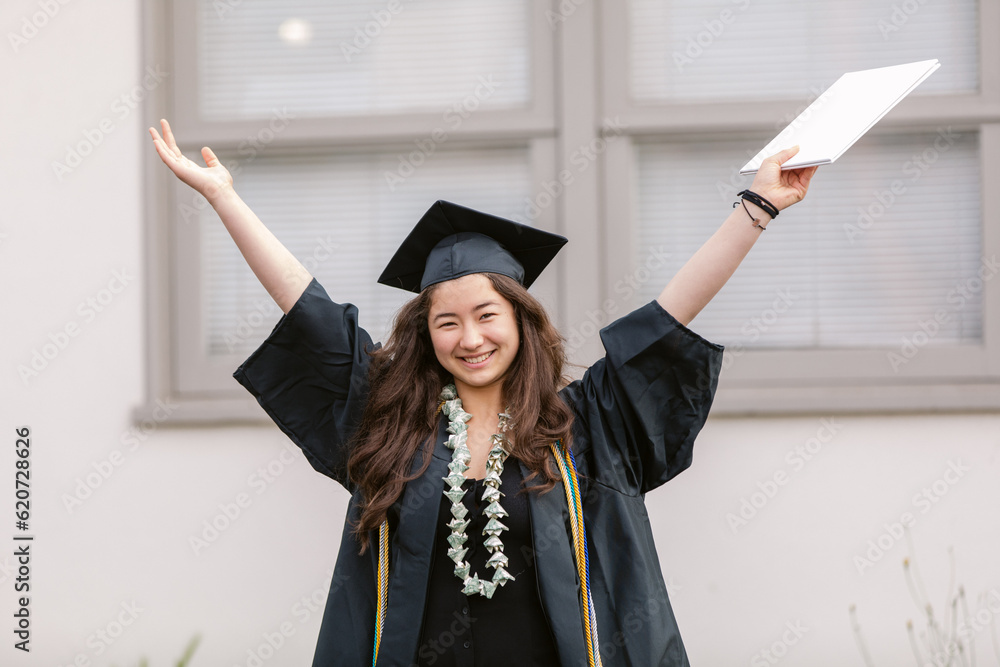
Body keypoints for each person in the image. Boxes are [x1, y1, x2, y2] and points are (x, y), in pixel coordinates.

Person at [149, 118, 816, 666]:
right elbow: (313, 314)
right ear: (426, 332)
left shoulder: (586, 426)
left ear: (522, 323)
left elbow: (666, 318)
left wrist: (755, 208)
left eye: (487, 315)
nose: (470, 337)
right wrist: (224, 198)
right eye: (448, 321)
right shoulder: (392, 425)